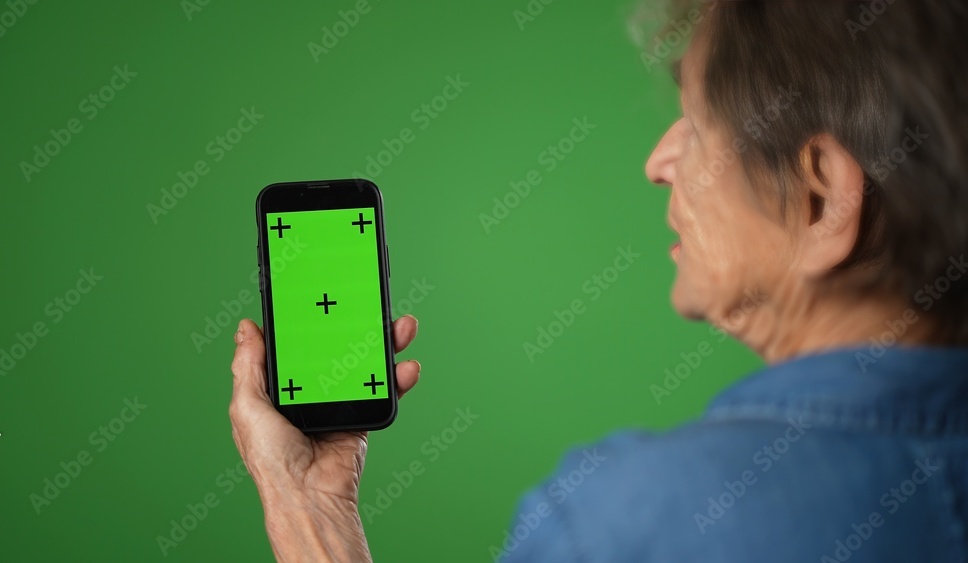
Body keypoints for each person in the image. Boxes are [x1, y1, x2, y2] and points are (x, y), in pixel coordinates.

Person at [229, 1, 968, 560]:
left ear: (822, 199)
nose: (658, 160)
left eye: (697, 120)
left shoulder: (630, 521)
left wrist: (305, 518)